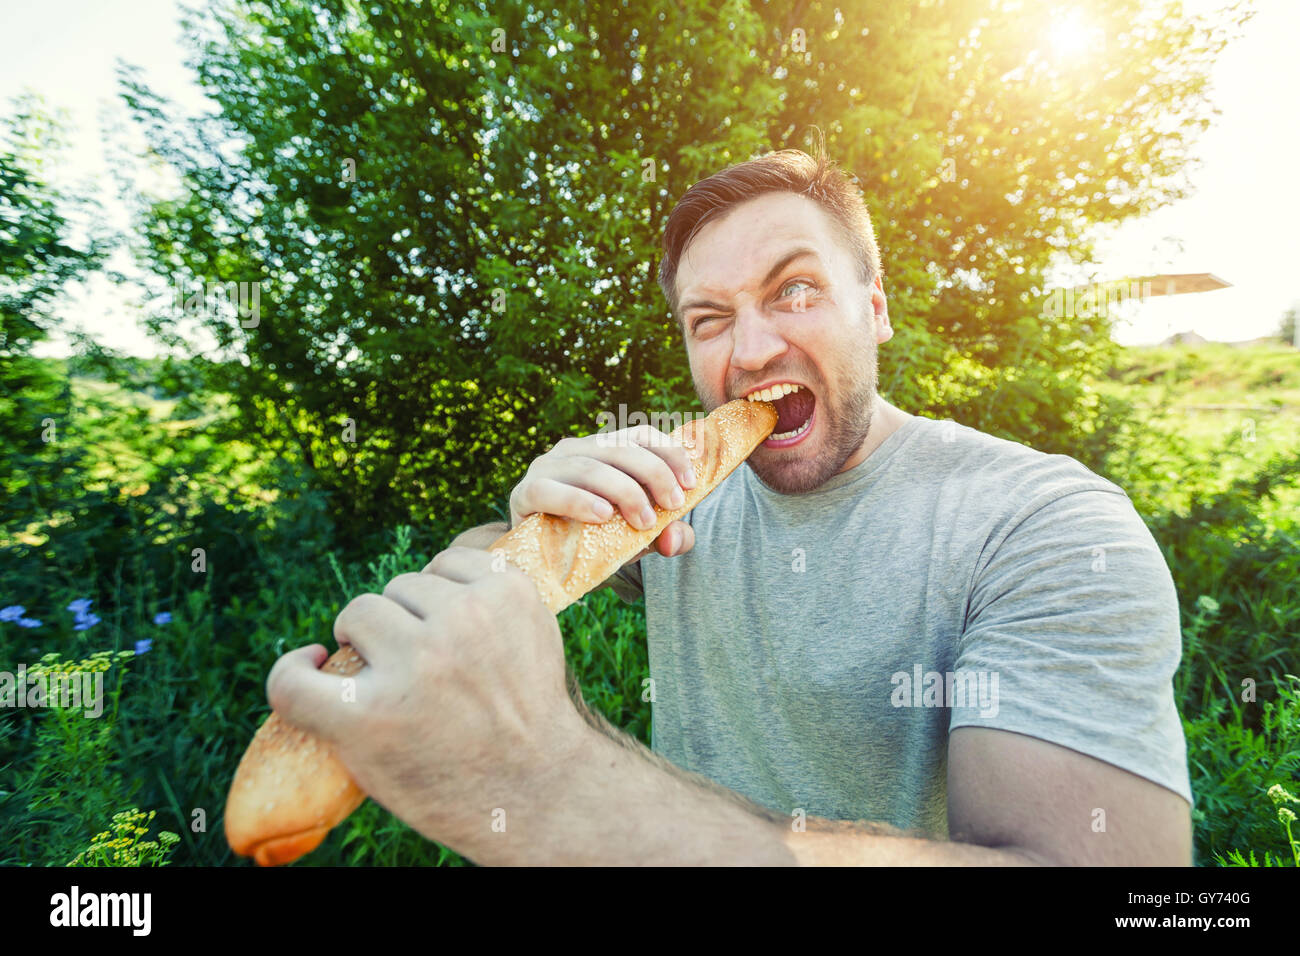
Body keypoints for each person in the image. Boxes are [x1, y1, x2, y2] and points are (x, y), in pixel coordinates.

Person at [267, 146, 1194, 865]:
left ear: (874, 308)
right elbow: (484, 583)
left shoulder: (1045, 526)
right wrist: (527, 525)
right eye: (708, 319)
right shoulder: (674, 497)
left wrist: (545, 782)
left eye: (794, 289)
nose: (749, 351)